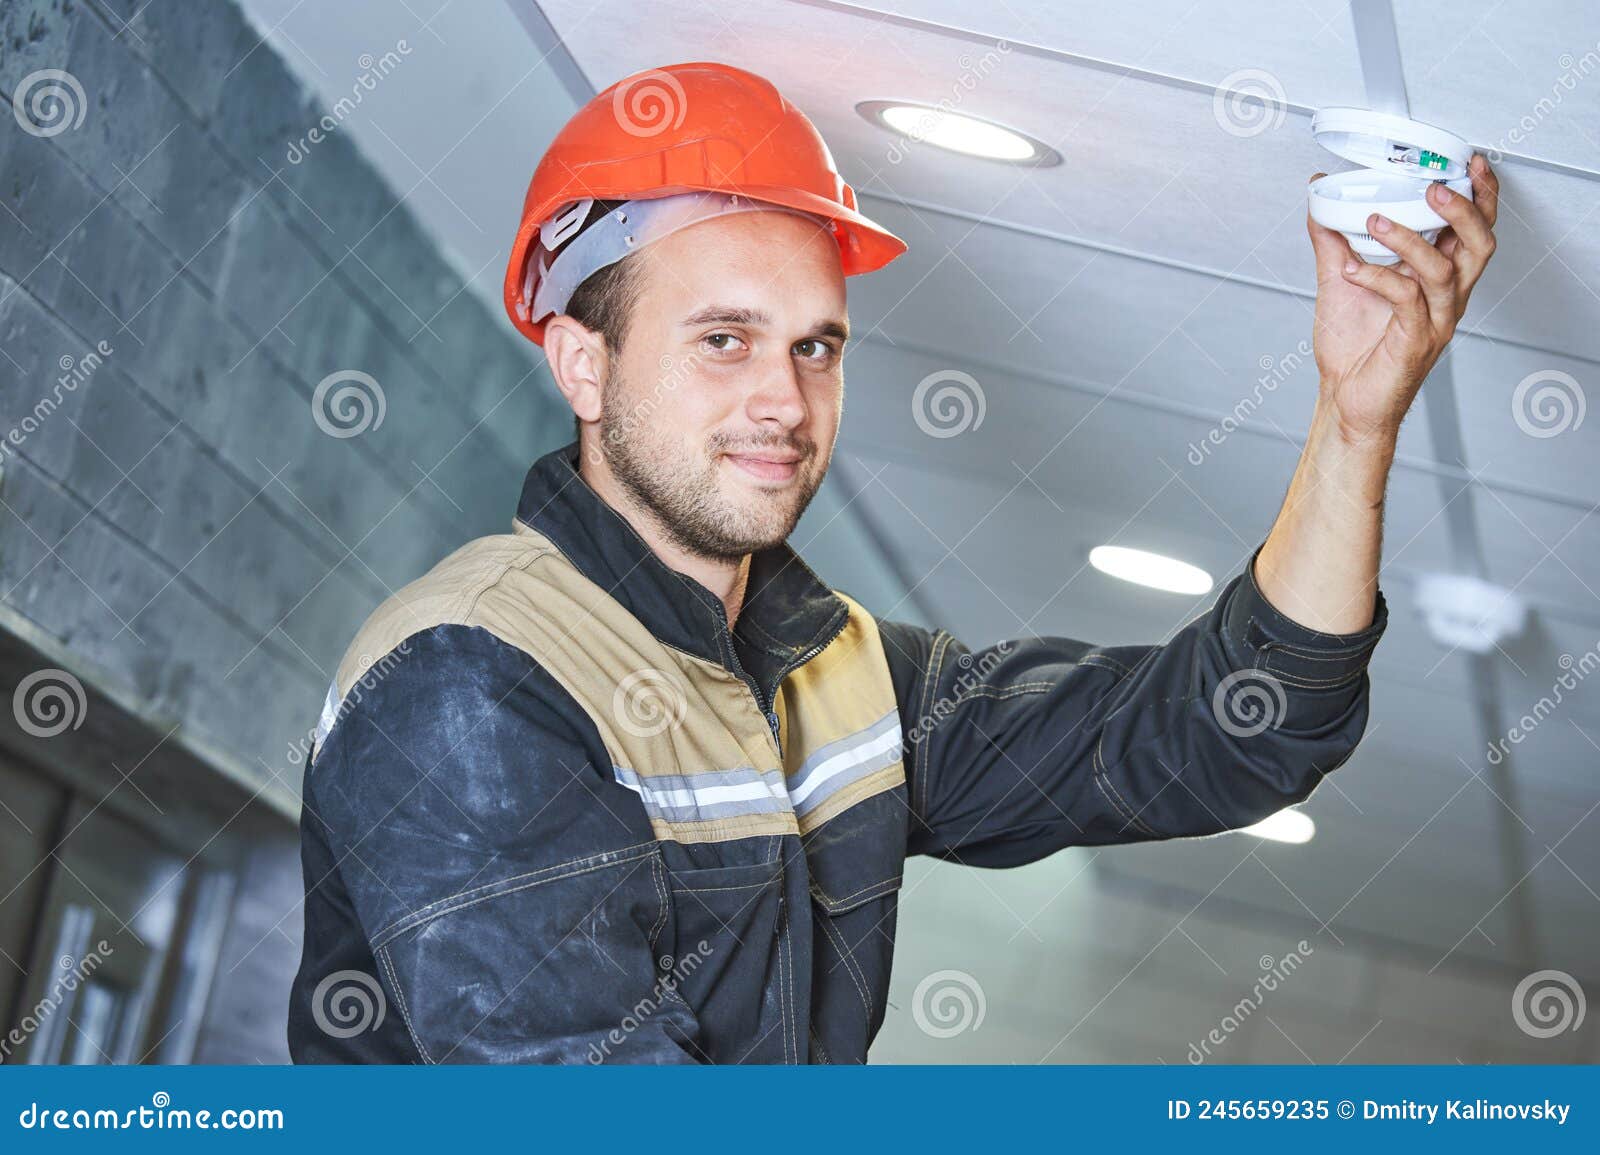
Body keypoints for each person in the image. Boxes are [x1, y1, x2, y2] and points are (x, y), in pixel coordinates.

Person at [288, 61, 1500, 1063]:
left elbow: (1234, 732)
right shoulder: (469, 677)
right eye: (724, 340)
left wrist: (1356, 419)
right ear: (583, 365)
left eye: (815, 348)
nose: (784, 399)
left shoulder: (846, 681)